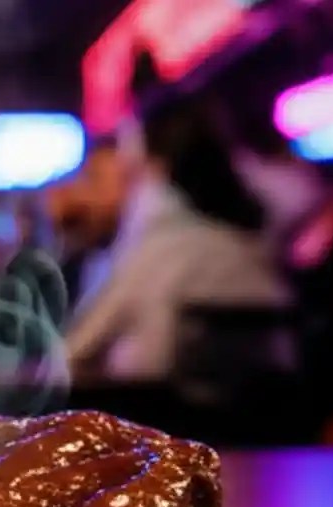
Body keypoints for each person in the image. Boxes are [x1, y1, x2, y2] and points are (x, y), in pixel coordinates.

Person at [65, 100, 289, 381]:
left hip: (165, 413)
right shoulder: (249, 245)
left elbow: (77, 350)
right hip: (275, 414)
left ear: (154, 170)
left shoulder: (160, 249)